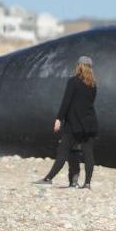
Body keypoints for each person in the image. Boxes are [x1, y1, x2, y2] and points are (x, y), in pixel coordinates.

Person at [36, 56, 99, 189]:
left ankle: (48, 178)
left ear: (79, 66)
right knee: (88, 153)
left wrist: (59, 118)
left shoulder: (73, 81)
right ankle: (86, 183)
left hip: (74, 124)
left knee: (63, 151)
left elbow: (66, 102)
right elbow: (88, 104)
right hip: (90, 123)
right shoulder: (93, 84)